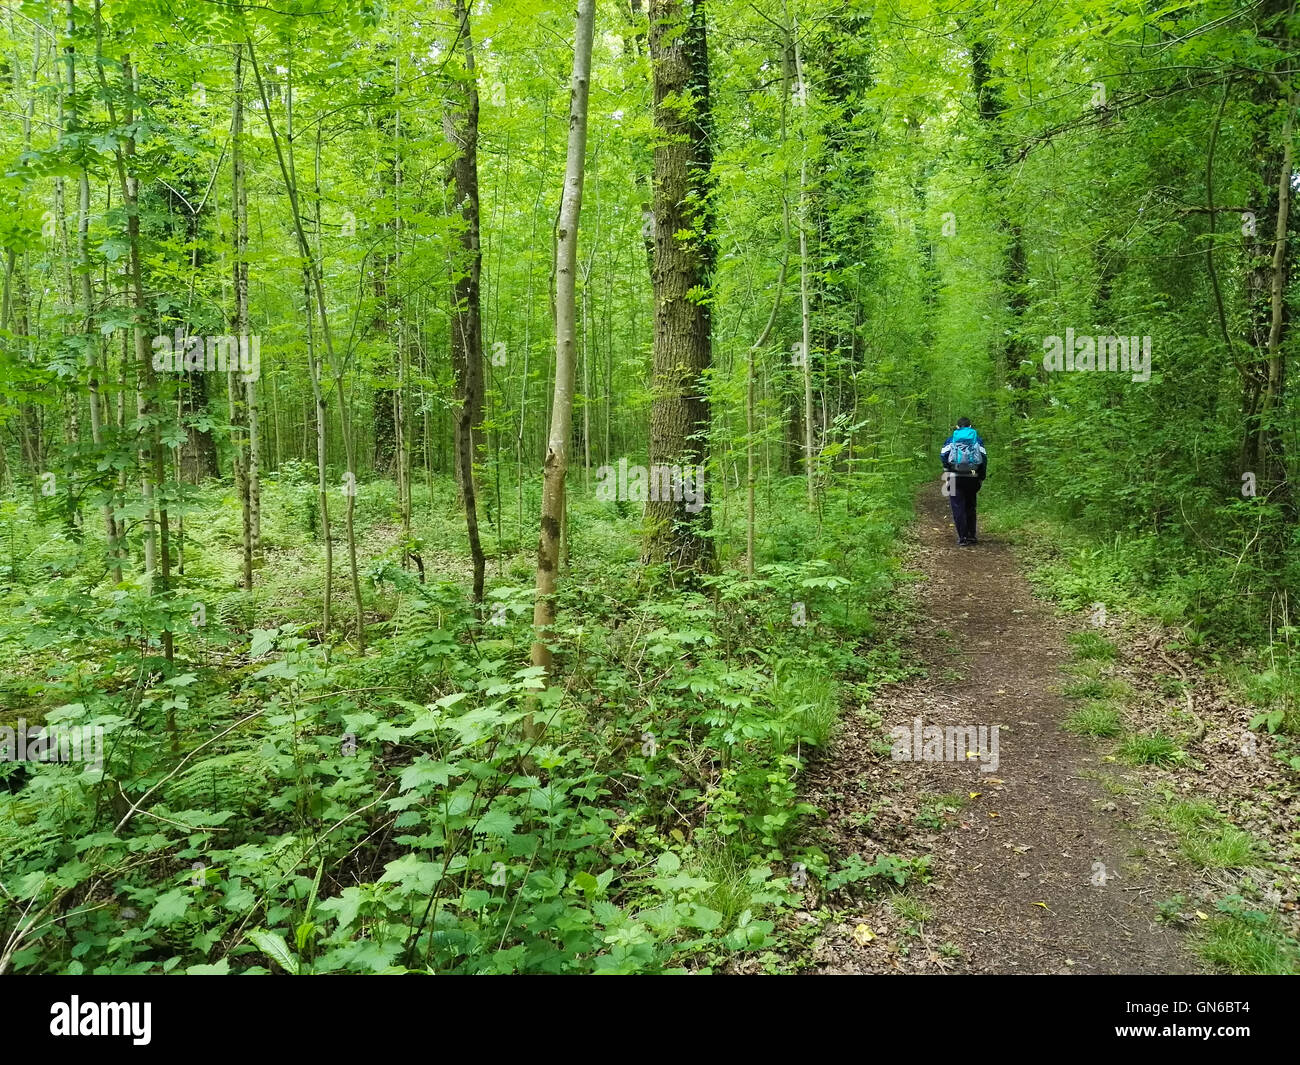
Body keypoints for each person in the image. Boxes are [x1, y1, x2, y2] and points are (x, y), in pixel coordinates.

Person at [940, 417, 987, 546]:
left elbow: (944, 456)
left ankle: (963, 538)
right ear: (970, 426)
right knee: (970, 505)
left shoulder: (951, 440)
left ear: (957, 427)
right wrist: (981, 477)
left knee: (957, 507)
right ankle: (972, 536)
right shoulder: (977, 440)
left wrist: (947, 472)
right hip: (973, 477)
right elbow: (983, 459)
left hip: (954, 477)